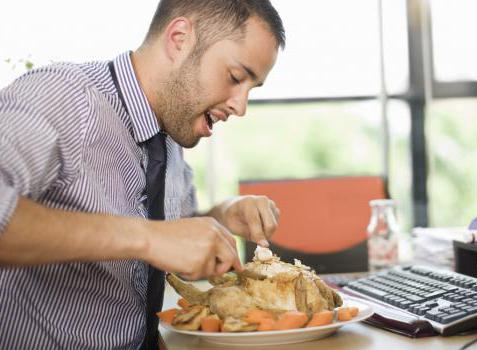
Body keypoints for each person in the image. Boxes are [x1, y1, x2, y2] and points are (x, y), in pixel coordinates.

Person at [0, 0, 285, 349]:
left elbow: (170, 241)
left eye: (251, 90)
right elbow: (152, 237)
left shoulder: (169, 130)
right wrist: (146, 238)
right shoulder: (61, 97)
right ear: (180, 38)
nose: (240, 107)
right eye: (235, 77)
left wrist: (221, 217)